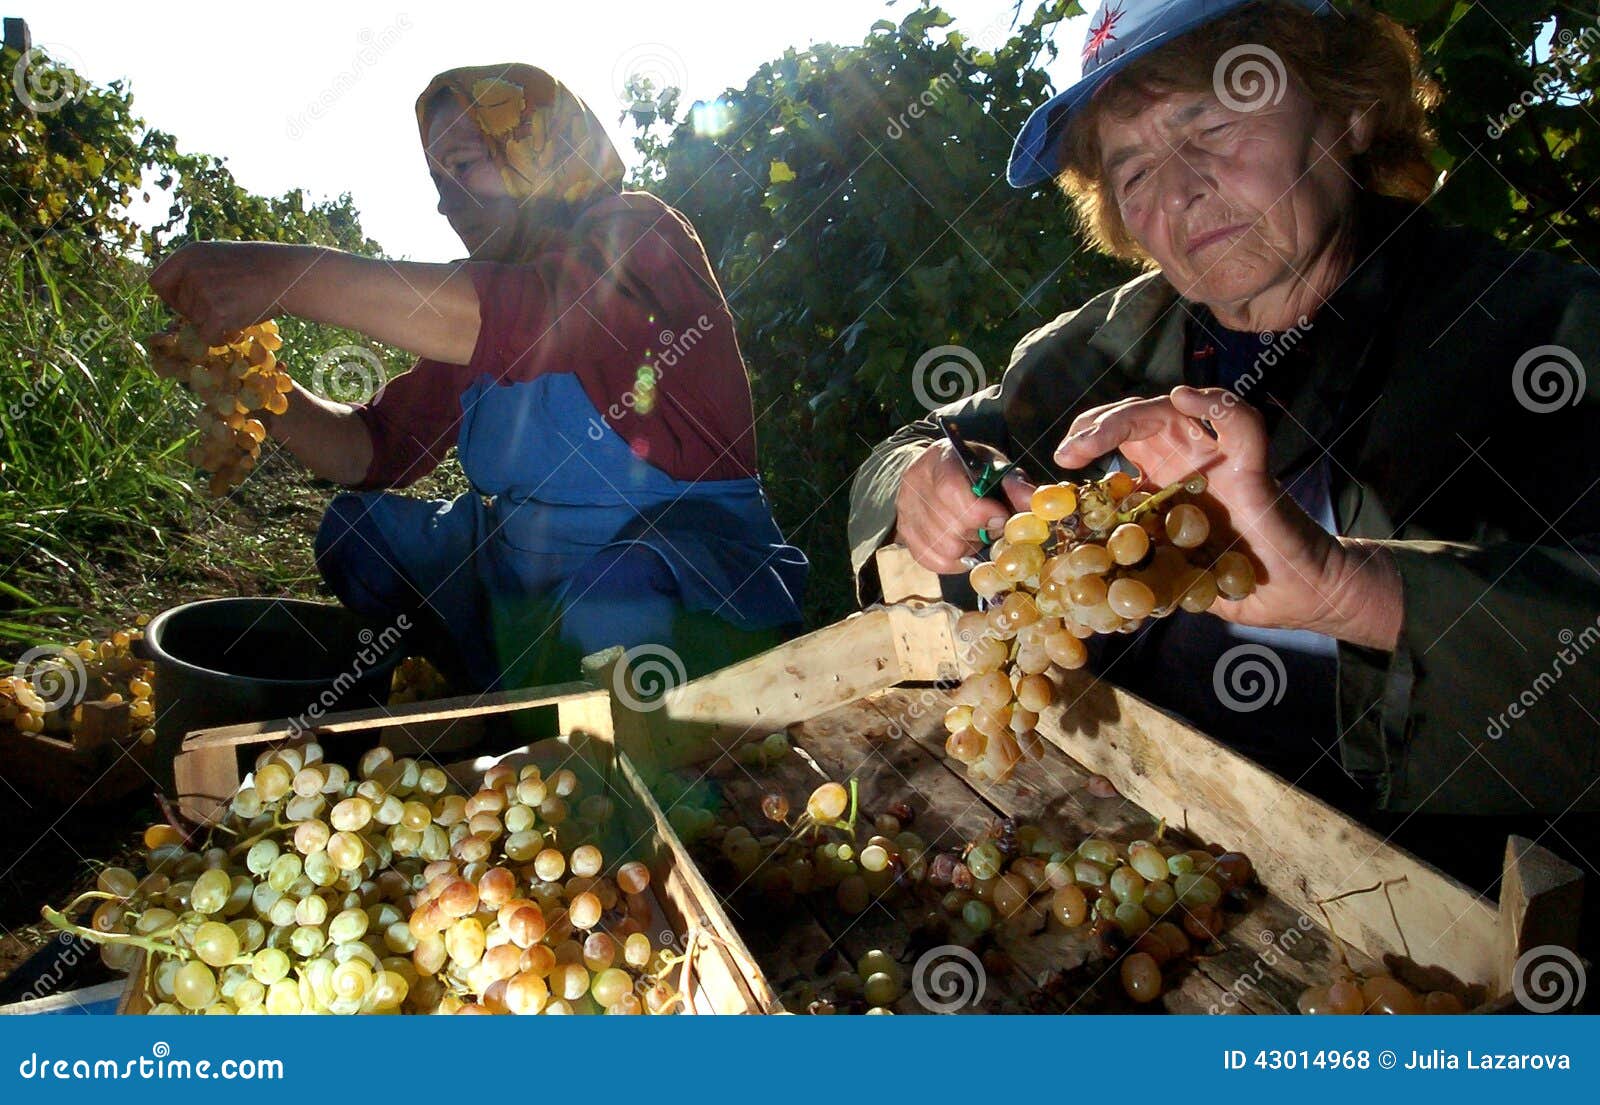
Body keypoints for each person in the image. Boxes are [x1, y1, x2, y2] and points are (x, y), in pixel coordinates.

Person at [849, 0, 1600, 815]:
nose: (1178, 193)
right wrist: (916, 486)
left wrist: (1351, 590)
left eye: (1210, 125)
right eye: (1133, 171)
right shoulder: (1096, 351)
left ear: (1348, 107)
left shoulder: (1548, 340)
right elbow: (924, 444)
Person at [150, 64, 807, 694]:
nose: (443, 202)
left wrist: (279, 277)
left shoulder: (635, 232)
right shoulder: (472, 318)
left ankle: (637, 724)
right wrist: (255, 385)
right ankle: (507, 688)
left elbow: (539, 317)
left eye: (463, 166)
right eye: (436, 177)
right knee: (358, 532)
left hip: (677, 582)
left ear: (535, 148)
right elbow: (372, 448)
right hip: (534, 580)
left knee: (615, 598)